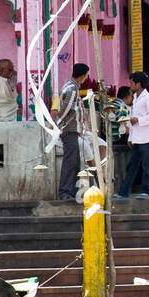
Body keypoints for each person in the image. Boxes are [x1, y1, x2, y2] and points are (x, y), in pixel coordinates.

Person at [117, 71, 149, 199]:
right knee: (132, 166)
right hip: (136, 138)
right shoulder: (135, 98)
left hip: (146, 137)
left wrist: (139, 120)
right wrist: (131, 137)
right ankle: (123, 192)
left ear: (138, 84)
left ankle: (145, 191)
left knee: (146, 166)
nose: (130, 85)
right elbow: (132, 118)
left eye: (132, 82)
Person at [53, 62, 88, 201]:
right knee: (70, 161)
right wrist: (61, 123)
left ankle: (73, 191)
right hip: (69, 129)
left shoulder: (70, 86)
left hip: (72, 129)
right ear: (83, 75)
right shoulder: (72, 89)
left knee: (75, 161)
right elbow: (65, 109)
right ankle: (65, 191)